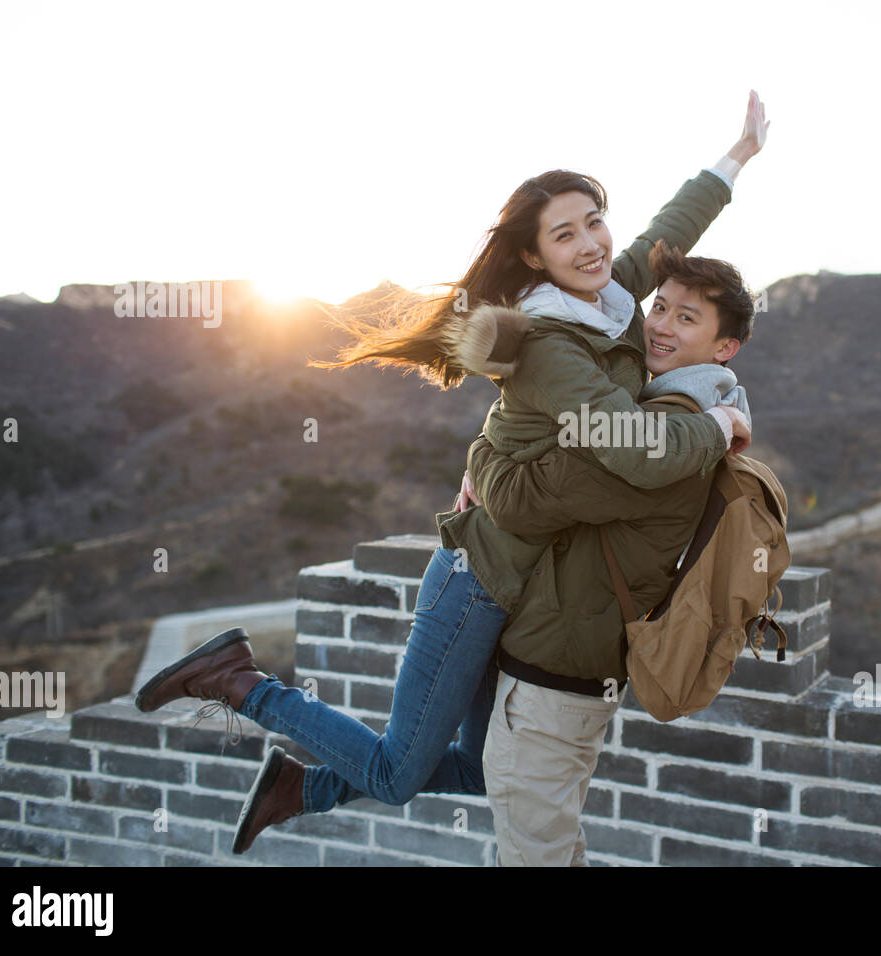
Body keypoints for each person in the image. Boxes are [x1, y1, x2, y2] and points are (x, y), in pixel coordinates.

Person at [132, 92, 769, 854]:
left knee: (479, 766)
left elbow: (669, 232)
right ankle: (241, 681)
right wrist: (715, 425)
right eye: (565, 234)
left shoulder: (609, 304)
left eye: (595, 220)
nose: (592, 243)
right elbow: (631, 449)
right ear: (534, 256)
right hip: (479, 578)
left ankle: (302, 784)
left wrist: (736, 157)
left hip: (520, 585)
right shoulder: (549, 342)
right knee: (402, 772)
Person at [459, 244, 757, 866]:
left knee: (534, 852)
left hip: (555, 672)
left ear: (725, 347)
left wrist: (481, 454)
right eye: (660, 307)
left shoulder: (667, 432)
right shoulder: (695, 413)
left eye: (687, 318)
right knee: (553, 844)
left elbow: (519, 500)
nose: (660, 325)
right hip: (576, 664)